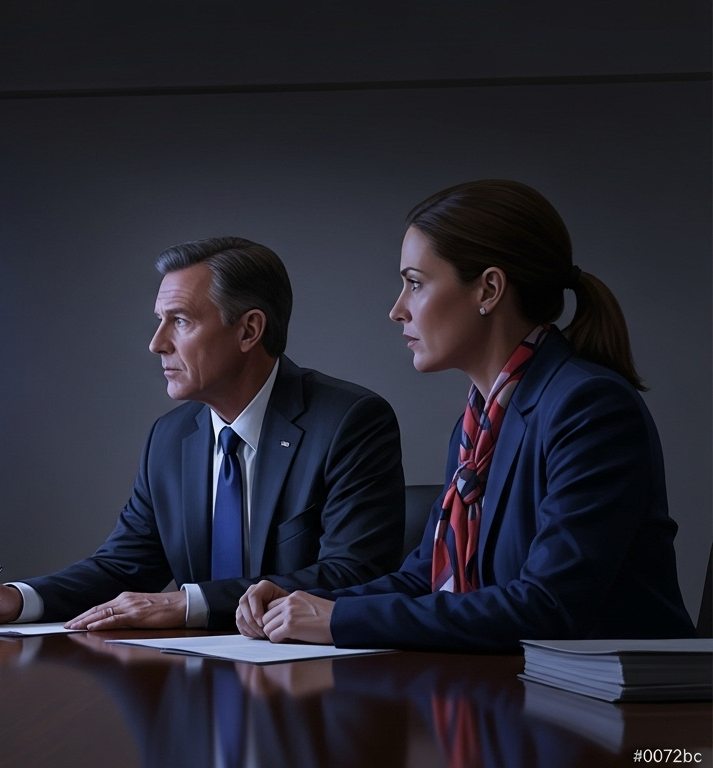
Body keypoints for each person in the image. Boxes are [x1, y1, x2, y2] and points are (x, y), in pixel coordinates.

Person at [238, 180, 695, 650]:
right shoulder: (478, 423)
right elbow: (424, 580)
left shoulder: (589, 408)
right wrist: (300, 601)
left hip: (616, 710)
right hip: (510, 693)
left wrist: (338, 619)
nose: (397, 310)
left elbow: (549, 605)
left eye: (414, 283)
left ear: (489, 289)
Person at [0, 237, 406, 631]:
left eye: (180, 320)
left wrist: (186, 603)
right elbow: (122, 564)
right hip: (200, 681)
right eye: (160, 321)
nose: (157, 342)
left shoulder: (350, 420)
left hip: (315, 690)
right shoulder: (170, 438)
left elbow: (353, 572)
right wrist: (19, 599)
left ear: (249, 330)